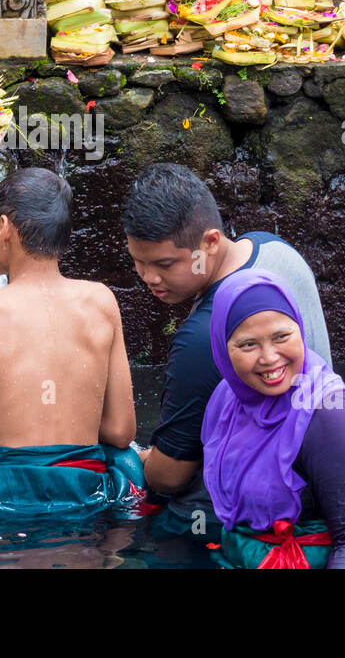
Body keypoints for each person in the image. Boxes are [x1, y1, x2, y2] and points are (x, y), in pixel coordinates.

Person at [122, 163, 331, 535]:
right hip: (316, 485)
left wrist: (137, 458)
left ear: (211, 242)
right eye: (138, 263)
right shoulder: (274, 249)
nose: (149, 278)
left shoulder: (204, 336)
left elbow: (169, 477)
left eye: (164, 264)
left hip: (229, 523)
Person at [0, 168, 143, 512]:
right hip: (88, 493)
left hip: (11, 499)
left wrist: (11, 421)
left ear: (5, 228)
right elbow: (121, 432)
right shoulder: (101, 301)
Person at [201, 268, 345, 568]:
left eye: (281, 336)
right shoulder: (227, 398)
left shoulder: (334, 416)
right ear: (222, 348)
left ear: (300, 328)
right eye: (248, 344)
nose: (270, 357)